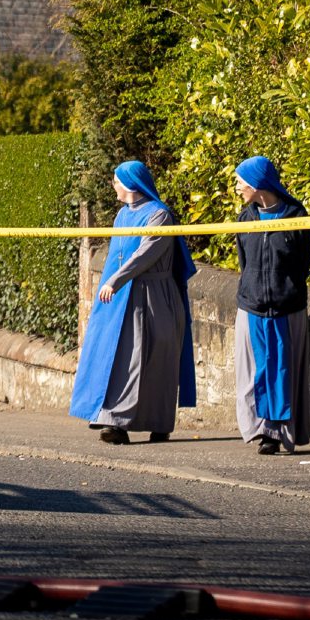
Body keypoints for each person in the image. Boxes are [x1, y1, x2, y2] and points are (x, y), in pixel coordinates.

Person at [69, 161, 197, 444]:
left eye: (115, 180)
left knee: (155, 361)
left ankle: (158, 423)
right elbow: (118, 253)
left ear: (129, 184)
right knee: (121, 359)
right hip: (123, 299)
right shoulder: (122, 215)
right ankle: (114, 421)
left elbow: (145, 254)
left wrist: (115, 280)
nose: (112, 186)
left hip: (156, 298)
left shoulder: (160, 216)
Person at [233, 156, 310, 455]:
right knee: (256, 370)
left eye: (241, 181)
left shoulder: (296, 214)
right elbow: (245, 262)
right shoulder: (246, 218)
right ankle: (262, 429)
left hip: (286, 306)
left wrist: (286, 288)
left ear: (257, 184)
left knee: (282, 370)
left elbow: (304, 260)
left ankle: (278, 432)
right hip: (253, 306)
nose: (238, 187)